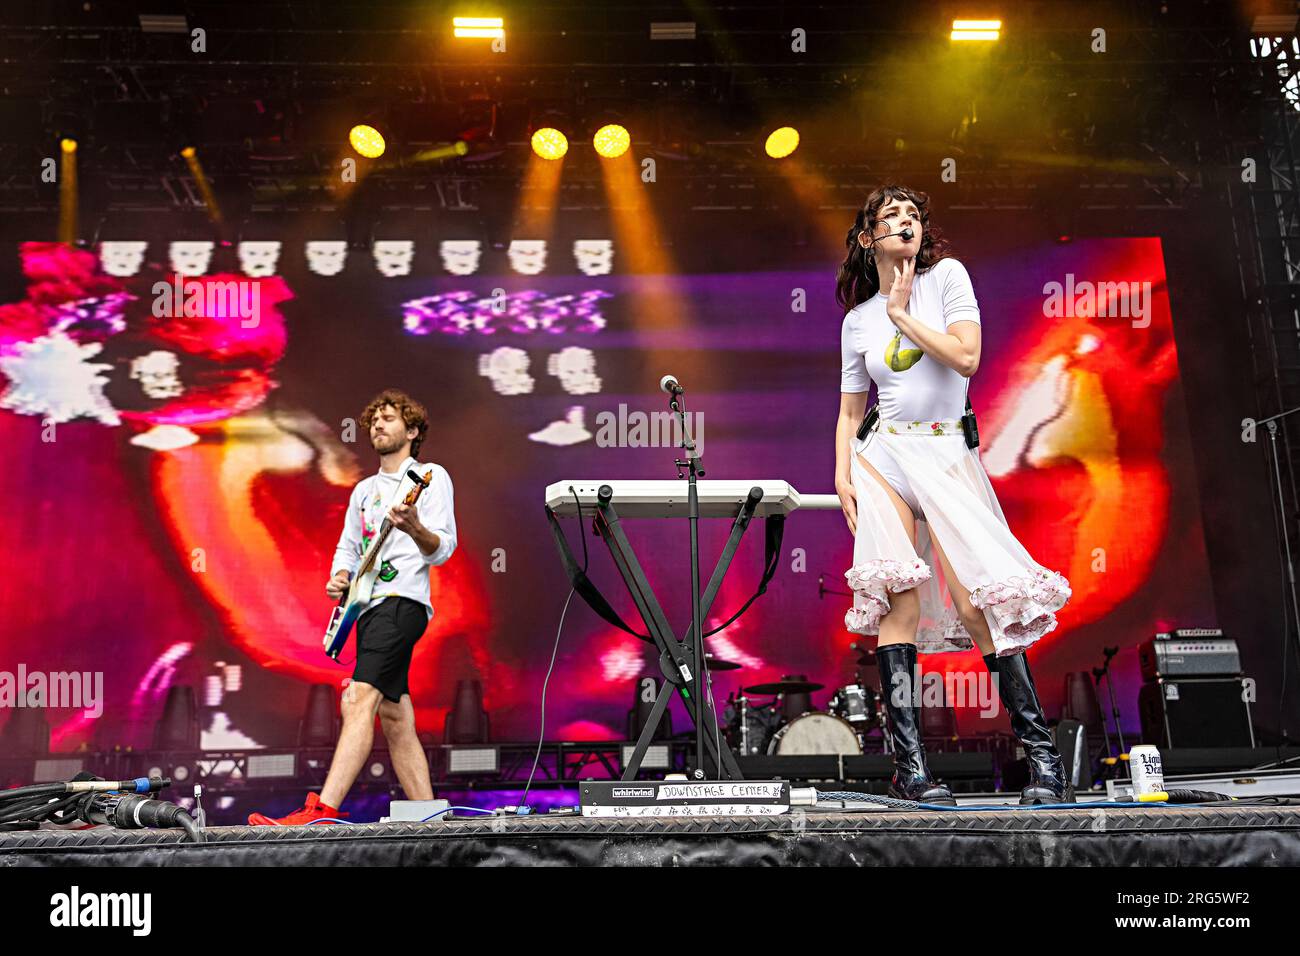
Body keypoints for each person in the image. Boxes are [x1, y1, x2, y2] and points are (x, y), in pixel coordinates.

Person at [834, 185, 1073, 805]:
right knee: (898, 606)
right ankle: (909, 771)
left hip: (943, 449)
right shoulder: (855, 321)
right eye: (891, 217)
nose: (905, 223)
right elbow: (850, 409)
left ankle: (1044, 762)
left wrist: (904, 312)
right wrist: (842, 473)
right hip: (881, 452)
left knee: (975, 603)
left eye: (913, 216)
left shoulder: (946, 280)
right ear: (868, 238)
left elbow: (967, 359)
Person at [249, 388, 458, 824]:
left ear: (413, 430)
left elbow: (442, 549)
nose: (378, 425)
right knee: (394, 714)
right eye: (374, 420)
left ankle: (321, 809)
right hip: (366, 608)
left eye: (389, 419)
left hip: (402, 602)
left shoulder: (431, 477)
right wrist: (340, 577)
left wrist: (415, 527)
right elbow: (348, 549)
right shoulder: (363, 490)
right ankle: (427, 816)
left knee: (359, 697)